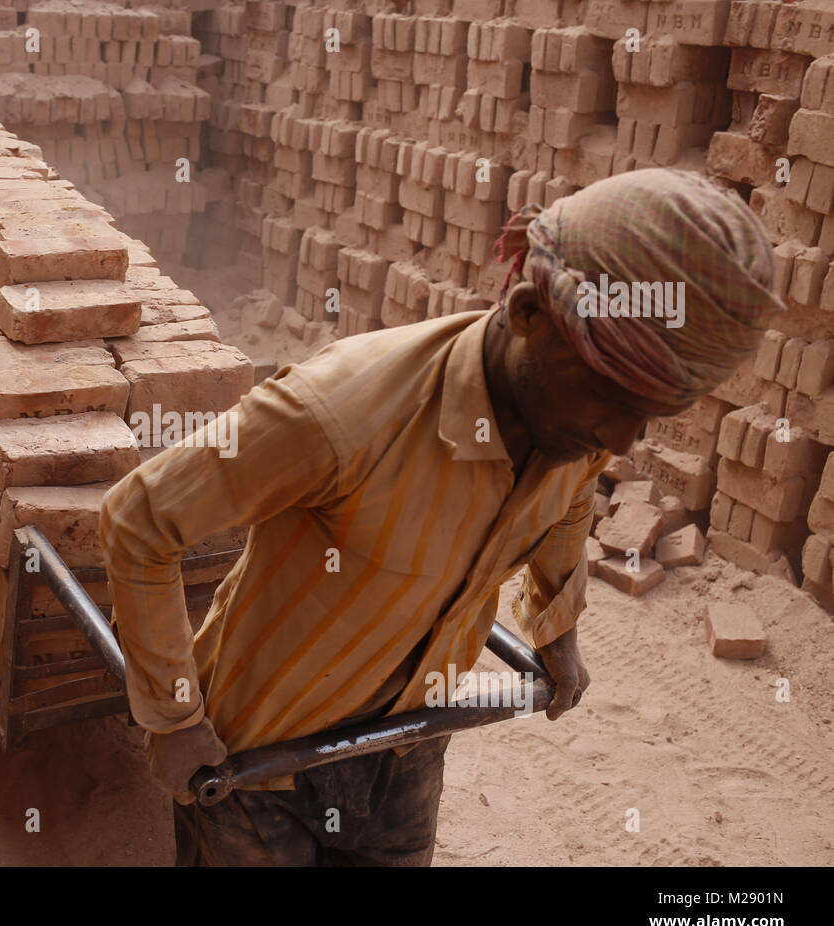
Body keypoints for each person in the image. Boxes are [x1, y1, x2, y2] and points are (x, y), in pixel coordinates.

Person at [98, 167, 786, 866]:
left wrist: (558, 631)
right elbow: (139, 519)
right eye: (613, 402)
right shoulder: (339, 414)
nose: (620, 441)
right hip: (261, 759)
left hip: (410, 743)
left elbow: (569, 509)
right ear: (527, 314)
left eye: (649, 416)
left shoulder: (571, 429)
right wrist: (175, 718)